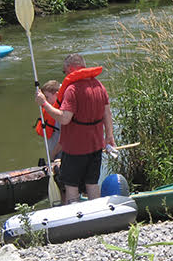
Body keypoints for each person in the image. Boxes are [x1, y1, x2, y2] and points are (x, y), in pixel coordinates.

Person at [35, 53, 116, 204]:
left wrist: (44, 104)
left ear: (70, 68)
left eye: (64, 71)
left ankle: (76, 220)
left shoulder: (72, 89)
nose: (65, 75)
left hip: (75, 148)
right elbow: (107, 113)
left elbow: (65, 118)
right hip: (96, 145)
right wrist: (109, 136)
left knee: (71, 186)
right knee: (92, 183)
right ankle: (97, 216)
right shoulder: (99, 85)